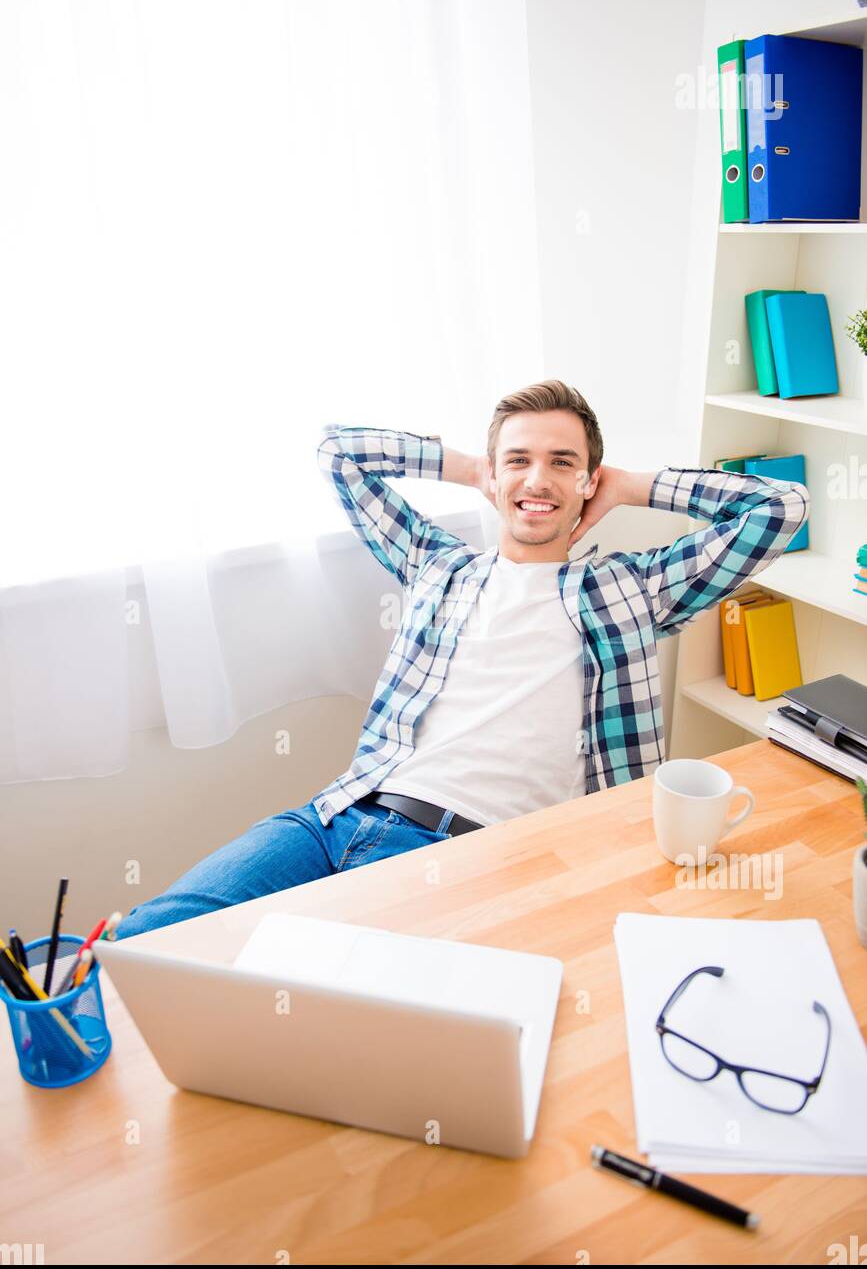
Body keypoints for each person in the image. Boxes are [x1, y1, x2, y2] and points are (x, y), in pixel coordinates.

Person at [115, 378, 809, 939]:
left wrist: (628, 485)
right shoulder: (436, 564)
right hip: (339, 816)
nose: (538, 480)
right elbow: (338, 454)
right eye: (519, 461)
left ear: (587, 483)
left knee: (326, 1005)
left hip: (463, 855)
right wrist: (473, 467)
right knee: (142, 940)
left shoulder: (631, 587)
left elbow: (781, 507)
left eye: (561, 464)